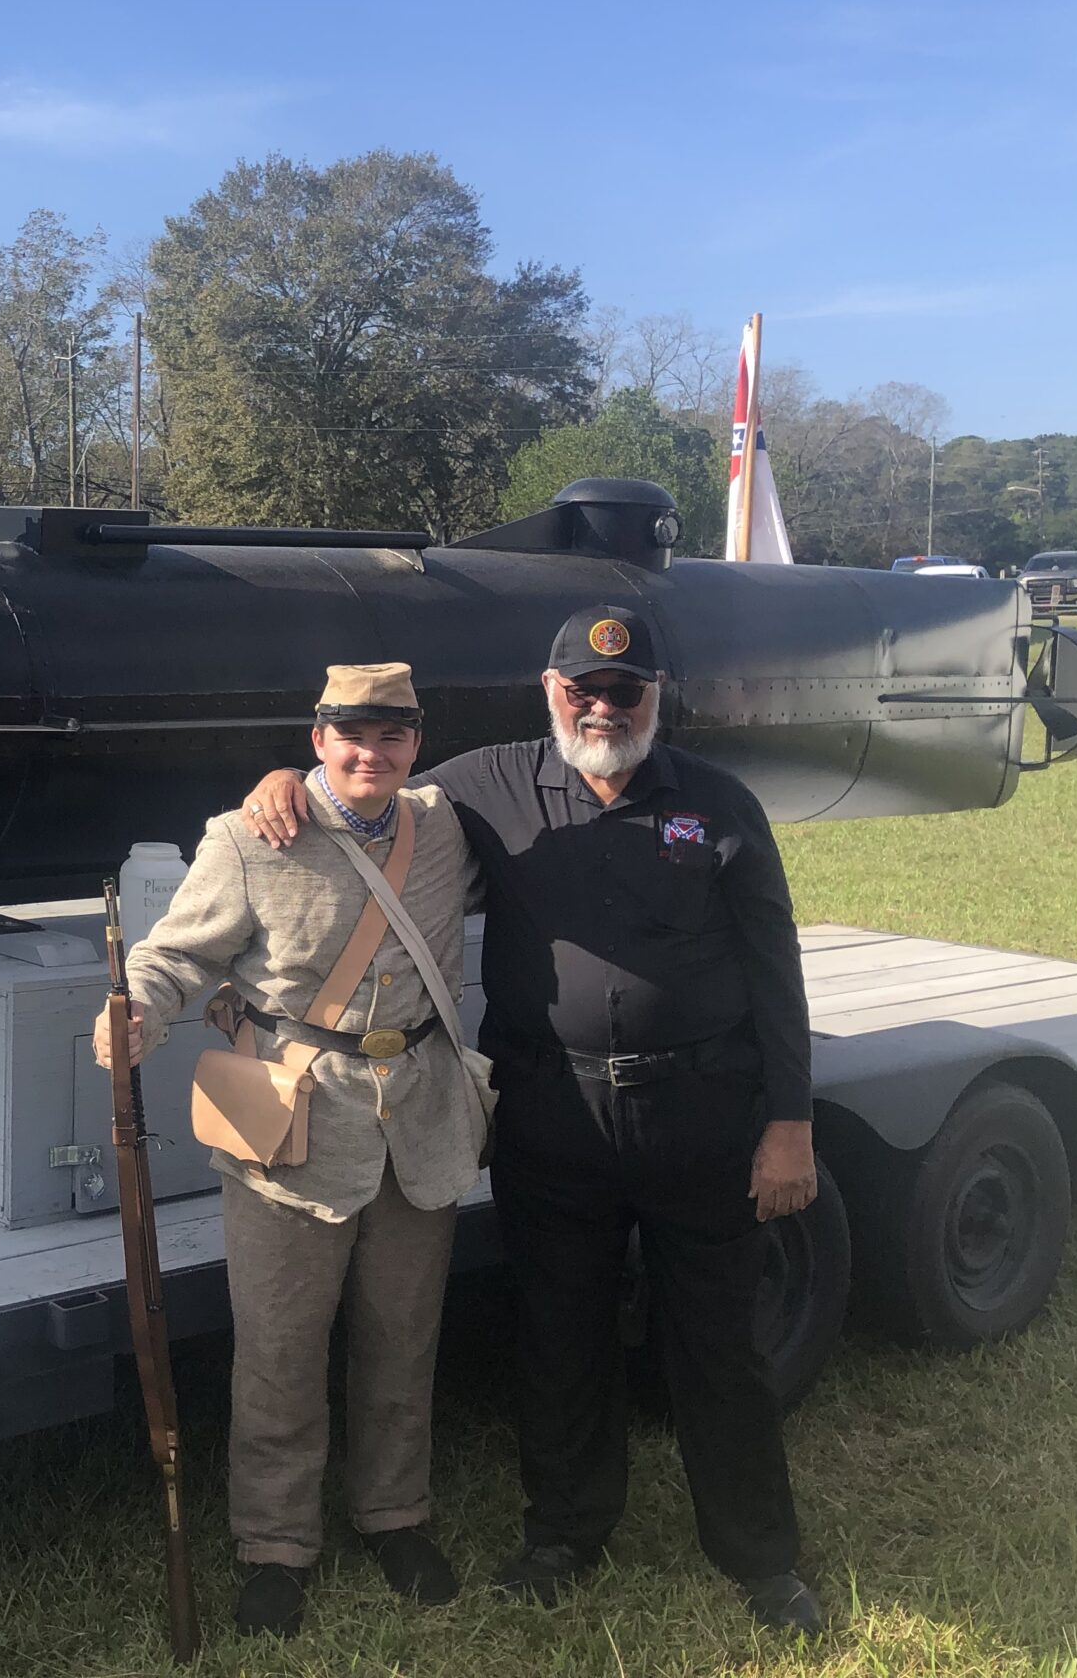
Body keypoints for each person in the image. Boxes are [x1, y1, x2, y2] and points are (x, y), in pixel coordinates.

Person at [238, 606, 825, 1638]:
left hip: (698, 1115)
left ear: (655, 696)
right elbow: (362, 795)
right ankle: (563, 1535)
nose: (603, 709)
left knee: (717, 1346)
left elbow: (775, 969)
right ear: (550, 692)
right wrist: (281, 780)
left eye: (624, 691)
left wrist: (790, 1123)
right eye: (582, 691)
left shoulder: (716, 802)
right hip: (551, 1114)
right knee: (560, 1337)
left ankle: (759, 1557)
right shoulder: (481, 786)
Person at [95, 664, 488, 1637]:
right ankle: (275, 1545)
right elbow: (175, 954)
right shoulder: (248, 834)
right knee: (279, 1349)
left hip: (420, 1116)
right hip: (293, 1125)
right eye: (351, 735)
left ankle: (394, 1516)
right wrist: (139, 1011)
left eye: (392, 734)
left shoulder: (442, 822)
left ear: (417, 740)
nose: (371, 753)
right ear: (318, 739)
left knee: (403, 1337)